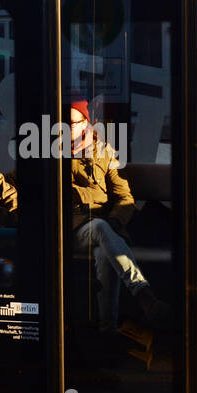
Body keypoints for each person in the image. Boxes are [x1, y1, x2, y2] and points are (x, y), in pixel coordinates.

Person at [66, 98, 170, 331]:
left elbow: (125, 197)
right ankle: (143, 294)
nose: (68, 129)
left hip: (103, 228)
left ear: (86, 124)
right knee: (101, 229)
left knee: (104, 253)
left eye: (73, 123)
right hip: (70, 229)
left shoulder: (103, 153)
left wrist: (116, 219)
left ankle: (107, 329)